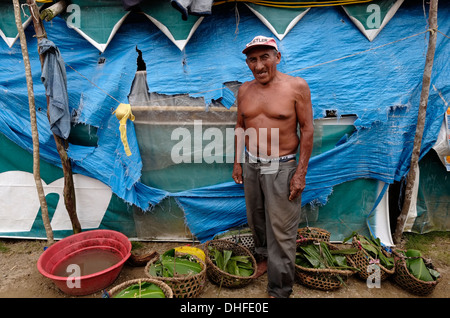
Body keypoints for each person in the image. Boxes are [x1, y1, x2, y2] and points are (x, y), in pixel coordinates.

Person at [232, 35, 314, 298]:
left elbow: (307, 129)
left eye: (264, 57)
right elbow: (240, 126)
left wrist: (299, 173)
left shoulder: (296, 87)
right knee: (256, 218)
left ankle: (279, 289)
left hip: (282, 165)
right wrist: (237, 161)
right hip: (253, 164)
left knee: (281, 230)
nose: (258, 65)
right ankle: (264, 259)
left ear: (277, 57)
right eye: (252, 60)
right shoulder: (244, 90)